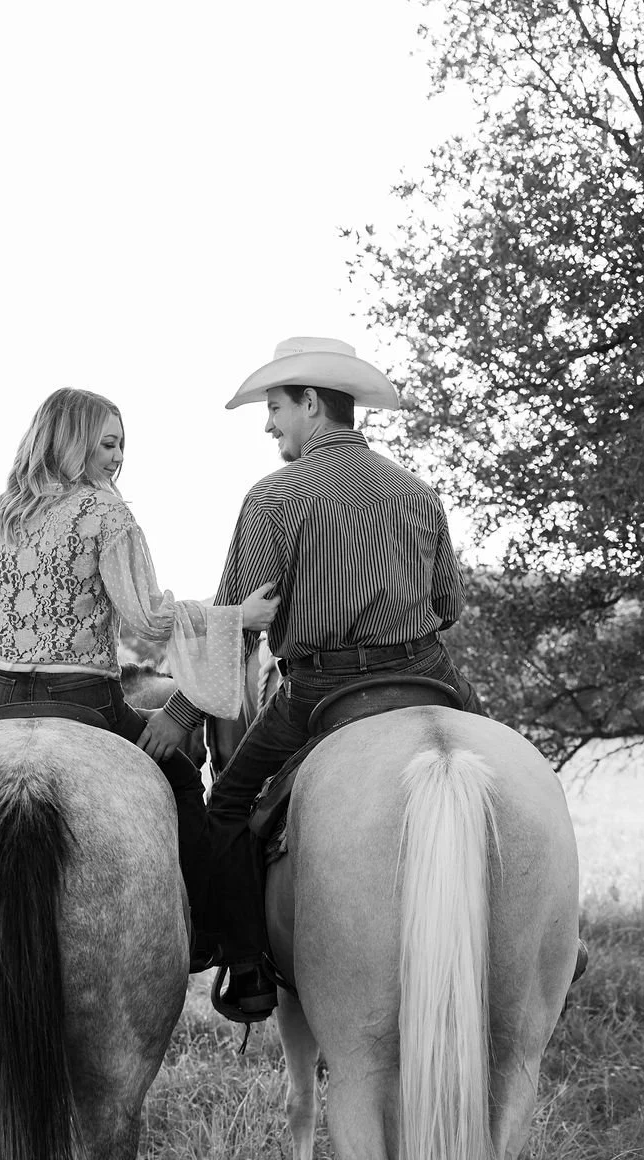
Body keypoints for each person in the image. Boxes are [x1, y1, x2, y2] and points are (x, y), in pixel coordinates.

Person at [138, 337, 486, 1020]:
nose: (269, 425)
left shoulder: (273, 496)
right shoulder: (418, 492)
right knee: (514, 772)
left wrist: (180, 713)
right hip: (426, 670)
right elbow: (447, 609)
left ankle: (247, 970)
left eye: (275, 408)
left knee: (228, 809)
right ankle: (570, 941)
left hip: (322, 688)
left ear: (310, 404)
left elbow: (236, 621)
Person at [0, 386, 280, 970]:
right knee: (179, 781)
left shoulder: (4, 510)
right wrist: (237, 617)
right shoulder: (106, 513)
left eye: (122, 445)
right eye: (107, 443)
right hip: (82, 695)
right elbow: (146, 617)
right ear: (70, 440)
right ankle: (206, 934)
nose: (118, 457)